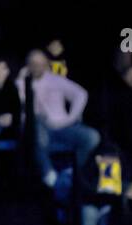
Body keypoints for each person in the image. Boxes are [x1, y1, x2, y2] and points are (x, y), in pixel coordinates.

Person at [18, 49, 99, 188]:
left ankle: (70, 172)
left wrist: (71, 117)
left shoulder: (56, 80)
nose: (37, 67)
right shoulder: (22, 82)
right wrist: (21, 80)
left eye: (40, 63)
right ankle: (51, 178)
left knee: (92, 136)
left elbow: (81, 94)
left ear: (46, 64)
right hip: (37, 131)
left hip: (62, 127)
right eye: (33, 64)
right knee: (37, 121)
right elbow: (20, 104)